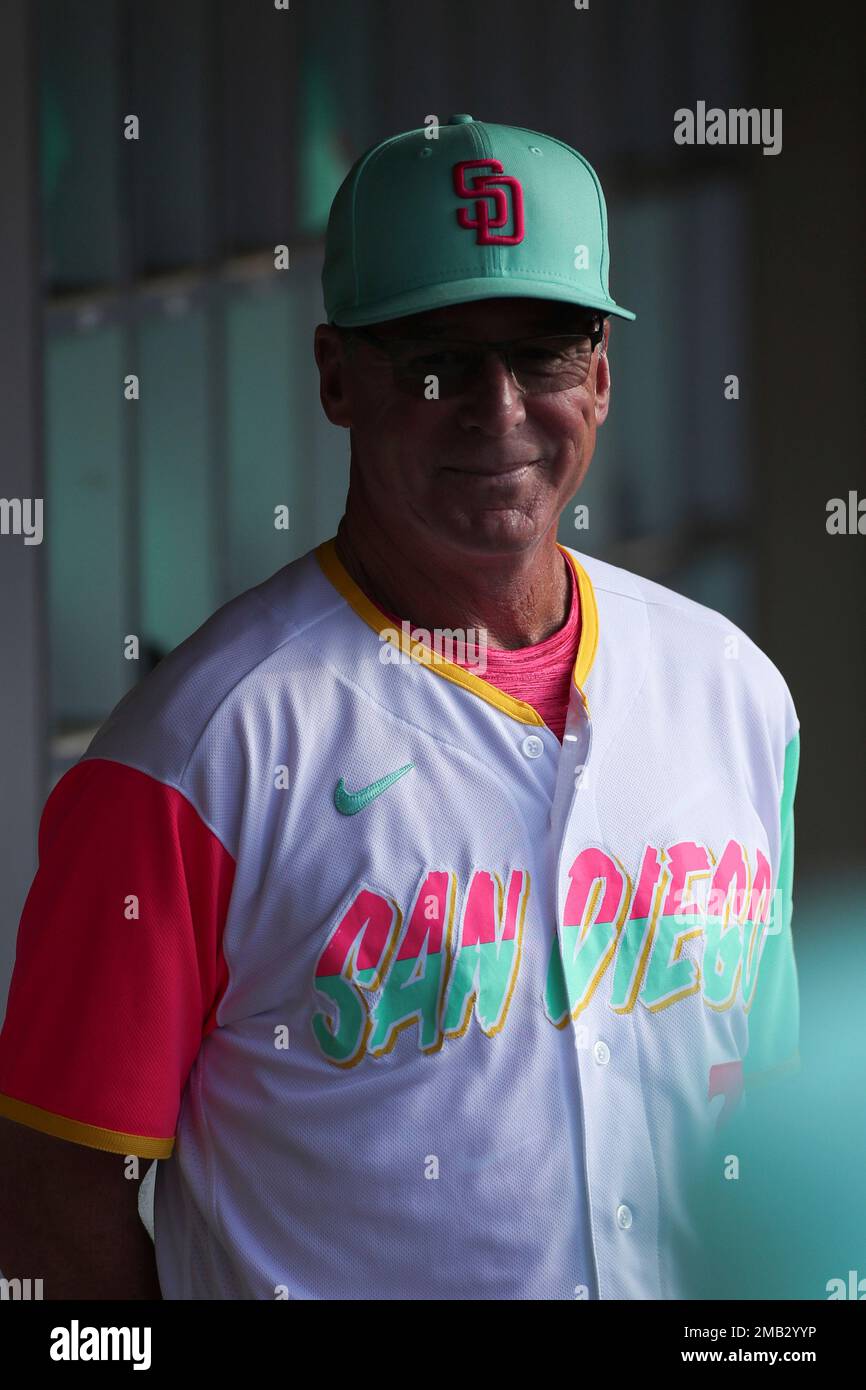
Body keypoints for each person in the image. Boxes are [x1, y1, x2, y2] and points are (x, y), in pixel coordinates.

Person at [0, 115, 800, 1300]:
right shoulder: (194, 758)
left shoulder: (728, 687)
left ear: (601, 374)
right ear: (336, 376)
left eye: (540, 352)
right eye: (433, 358)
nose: (497, 409)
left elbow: (766, 1117)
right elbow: (53, 1197)